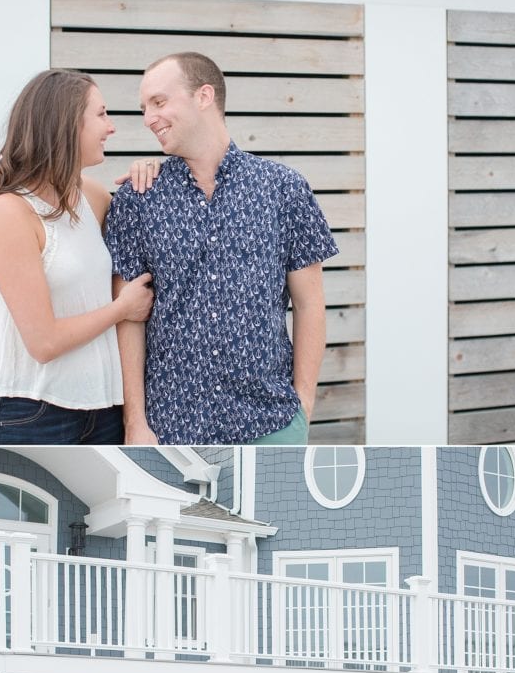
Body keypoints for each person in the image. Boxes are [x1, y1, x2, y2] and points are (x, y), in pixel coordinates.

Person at [105, 51, 339, 446]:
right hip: (170, 429)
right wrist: (135, 423)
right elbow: (129, 319)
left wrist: (303, 405)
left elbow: (310, 303)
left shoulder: (284, 189)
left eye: (159, 102)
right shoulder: (137, 199)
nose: (148, 118)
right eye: (144, 107)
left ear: (204, 96)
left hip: (270, 422)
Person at [0, 69, 157, 445]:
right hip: (33, 414)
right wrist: (122, 309)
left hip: (105, 409)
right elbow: (44, 343)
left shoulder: (91, 196)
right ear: (64, 124)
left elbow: (141, 228)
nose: (111, 128)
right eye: (101, 114)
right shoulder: (9, 213)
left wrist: (155, 173)